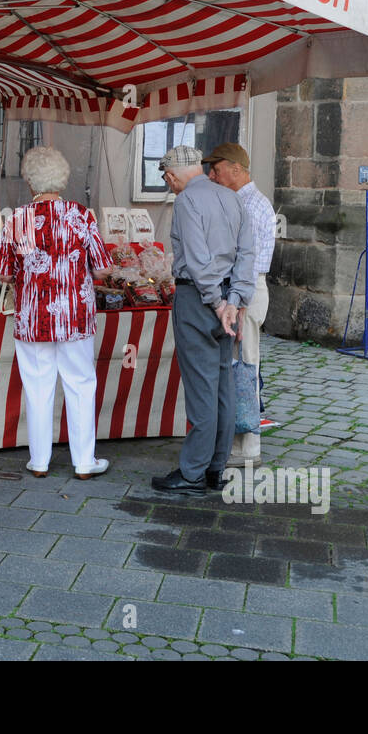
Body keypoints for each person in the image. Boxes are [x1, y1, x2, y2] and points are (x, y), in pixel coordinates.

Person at [0, 146, 112, 480]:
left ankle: (41, 461)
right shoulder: (81, 216)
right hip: (74, 315)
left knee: (37, 386)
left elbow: (2, 273)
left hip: (33, 317)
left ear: (30, 182)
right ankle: (84, 462)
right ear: (61, 179)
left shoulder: (17, 220)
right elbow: (103, 270)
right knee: (80, 384)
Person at [152, 145, 255, 495]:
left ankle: (193, 472)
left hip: (199, 299)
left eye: (167, 178)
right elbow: (247, 254)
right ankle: (216, 468)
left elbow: (197, 260)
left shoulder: (186, 201)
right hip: (228, 298)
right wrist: (234, 301)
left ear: (171, 174)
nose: (169, 184)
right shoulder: (233, 197)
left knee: (201, 388)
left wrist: (215, 303)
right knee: (223, 382)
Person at [204, 142, 276, 463]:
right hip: (240, 291)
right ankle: (236, 442)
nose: (212, 176)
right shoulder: (242, 201)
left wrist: (240, 301)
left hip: (245, 292)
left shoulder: (252, 205)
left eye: (217, 170)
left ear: (236, 169)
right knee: (238, 366)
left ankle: (246, 448)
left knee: (244, 368)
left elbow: (253, 262)